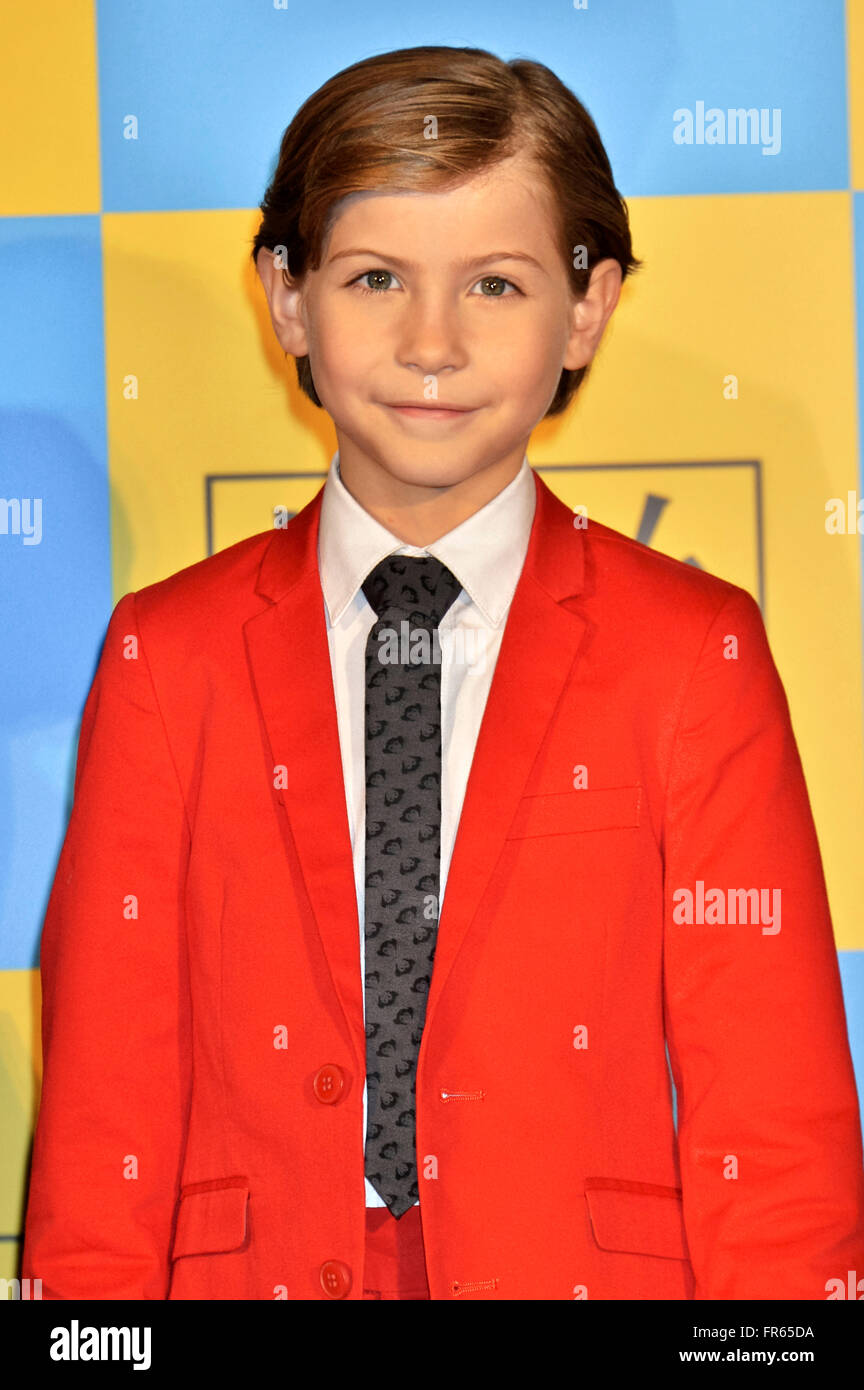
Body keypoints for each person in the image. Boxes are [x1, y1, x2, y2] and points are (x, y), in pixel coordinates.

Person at [22, 44, 864, 1300]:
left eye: (496, 286)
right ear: (288, 297)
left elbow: (773, 1111)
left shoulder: (696, 654)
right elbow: (105, 1102)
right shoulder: (167, 655)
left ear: (589, 306)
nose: (431, 343)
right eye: (375, 278)